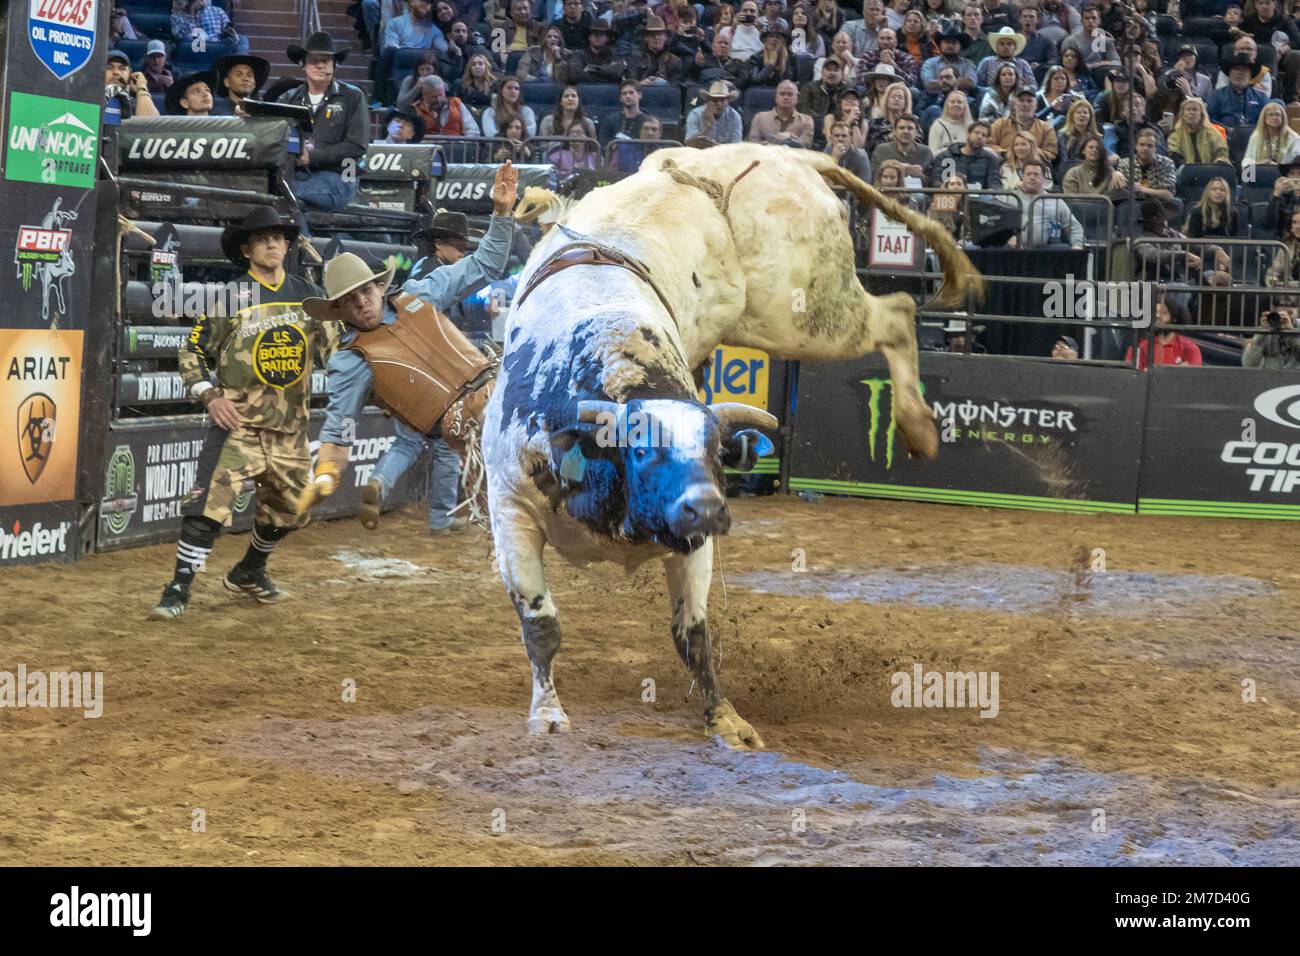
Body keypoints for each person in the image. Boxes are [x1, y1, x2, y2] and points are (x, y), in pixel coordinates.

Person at [305, 164, 518, 532]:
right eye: (350, 299)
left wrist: (501, 213)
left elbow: (487, 264)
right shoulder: (351, 359)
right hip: (456, 419)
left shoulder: (421, 292)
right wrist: (324, 475)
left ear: (379, 288)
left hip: (487, 394)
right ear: (338, 310)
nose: (362, 302)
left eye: (365, 291)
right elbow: (338, 426)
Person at [148, 207, 334, 620]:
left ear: (288, 245)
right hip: (239, 425)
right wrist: (211, 396)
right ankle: (178, 587)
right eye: (263, 238)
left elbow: (335, 350)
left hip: (289, 428)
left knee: (292, 509)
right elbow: (192, 351)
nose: (272, 244)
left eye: (279, 237)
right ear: (247, 249)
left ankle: (250, 569)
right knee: (209, 507)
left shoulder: (309, 297)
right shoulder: (228, 298)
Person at [277, 33, 370, 213]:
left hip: (343, 176)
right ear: (302, 65)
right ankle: (305, 240)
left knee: (283, 195)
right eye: (313, 61)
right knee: (290, 202)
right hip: (297, 175)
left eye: (326, 61)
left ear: (334, 66)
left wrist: (311, 157)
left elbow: (357, 146)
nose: (320, 65)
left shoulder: (352, 96)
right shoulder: (288, 98)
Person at [1009, 160, 1083, 248]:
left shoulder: (1056, 201)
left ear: (1044, 178)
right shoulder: (1008, 197)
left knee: (1063, 248)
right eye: (1028, 174)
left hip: (1046, 251)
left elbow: (1074, 226)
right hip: (1013, 250)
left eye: (1036, 174)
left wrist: (1077, 245)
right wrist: (1007, 238)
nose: (1032, 177)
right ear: (1022, 177)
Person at [1124, 299, 1203, 369]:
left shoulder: (1189, 348)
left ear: (1174, 318)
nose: (1157, 316)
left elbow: (1194, 379)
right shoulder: (1139, 347)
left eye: (1163, 312)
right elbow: (1132, 378)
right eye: (1155, 312)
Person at [401, 74, 482, 138]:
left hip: (456, 150)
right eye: (434, 97)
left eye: (441, 95)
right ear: (424, 94)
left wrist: (462, 145)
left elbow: (473, 131)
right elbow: (408, 136)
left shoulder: (456, 103)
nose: (439, 99)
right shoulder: (415, 109)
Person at [990, 87, 1059, 162]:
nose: (1025, 104)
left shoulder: (1046, 128)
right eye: (1021, 100)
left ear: (1036, 105)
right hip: (1004, 165)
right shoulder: (1000, 124)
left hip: (1035, 168)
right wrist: (1006, 154)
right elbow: (988, 145)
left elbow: (1051, 153)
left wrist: (1029, 152)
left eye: (1029, 101)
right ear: (1014, 104)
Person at [930, 118, 998, 189]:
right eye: (977, 133)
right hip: (949, 196)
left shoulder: (991, 159)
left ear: (987, 140)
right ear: (968, 134)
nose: (980, 137)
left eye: (984, 135)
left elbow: (994, 184)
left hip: (979, 198)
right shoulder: (945, 156)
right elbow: (936, 182)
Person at [747, 79, 815, 147]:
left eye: (790, 94)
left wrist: (791, 137)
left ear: (797, 98)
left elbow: (806, 146)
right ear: (776, 97)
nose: (785, 97)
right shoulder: (760, 117)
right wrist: (775, 144)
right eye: (782, 94)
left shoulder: (807, 120)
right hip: (765, 156)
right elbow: (753, 144)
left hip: (793, 157)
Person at [1208, 55, 1269, 129]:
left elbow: (1267, 120)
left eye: (1244, 70)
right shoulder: (1216, 95)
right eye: (1236, 69)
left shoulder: (1261, 97)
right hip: (1224, 136)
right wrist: (1227, 130)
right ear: (1229, 74)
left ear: (1250, 75)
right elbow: (1210, 119)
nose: (1239, 73)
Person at [1116, 128, 1176, 203]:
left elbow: (1169, 195)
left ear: (1155, 148)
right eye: (1142, 145)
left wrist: (1143, 190)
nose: (1145, 148)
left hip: (1158, 204)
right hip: (1132, 204)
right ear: (1136, 146)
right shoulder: (1124, 164)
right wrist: (1114, 172)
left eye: (1150, 146)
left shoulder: (1166, 163)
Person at [171, 0, 250, 56]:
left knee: (242, 39)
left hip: (218, 48)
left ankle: (238, 64)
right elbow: (181, 37)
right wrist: (192, 13)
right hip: (197, 51)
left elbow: (228, 30)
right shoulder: (177, 17)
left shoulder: (217, 11)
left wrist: (231, 34)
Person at [1166, 98, 1230, 166]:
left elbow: (1222, 152)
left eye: (1195, 110)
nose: (1191, 113)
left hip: (1211, 169)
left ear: (1201, 114)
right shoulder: (1175, 136)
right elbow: (1173, 155)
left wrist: (1217, 163)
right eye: (1188, 110)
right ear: (1182, 114)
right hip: (1185, 171)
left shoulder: (1213, 133)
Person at [873, 113, 932, 183]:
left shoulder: (925, 152)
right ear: (894, 132)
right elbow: (873, 178)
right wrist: (897, 169)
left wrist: (918, 175)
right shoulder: (881, 150)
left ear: (916, 132)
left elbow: (931, 184)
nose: (906, 131)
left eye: (910, 128)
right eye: (901, 128)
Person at [1062, 135, 1128, 197]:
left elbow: (1110, 197)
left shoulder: (1109, 173)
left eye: (1097, 148)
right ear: (1083, 151)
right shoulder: (1073, 173)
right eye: (1091, 147)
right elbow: (1070, 198)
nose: (1094, 150)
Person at [922, 23, 977, 94]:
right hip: (934, 100)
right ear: (940, 44)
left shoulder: (968, 64)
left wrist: (946, 82)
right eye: (947, 41)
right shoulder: (930, 62)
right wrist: (952, 82)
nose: (950, 45)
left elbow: (971, 82)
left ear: (960, 46)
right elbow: (928, 83)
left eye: (954, 42)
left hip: (961, 101)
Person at [105, 49, 159, 119]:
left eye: (122, 68)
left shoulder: (138, 104)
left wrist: (142, 88)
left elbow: (152, 126)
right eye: (109, 67)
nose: (116, 72)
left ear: (130, 74)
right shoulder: (92, 100)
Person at [975, 26, 1034, 90]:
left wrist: (1024, 87)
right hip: (991, 97)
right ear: (996, 47)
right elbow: (977, 87)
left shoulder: (1023, 64)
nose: (1006, 47)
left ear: (1015, 47)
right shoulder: (986, 62)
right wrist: (992, 91)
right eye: (1002, 44)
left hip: (1017, 97)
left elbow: (1034, 87)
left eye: (1009, 44)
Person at [1245, 100, 1300, 166]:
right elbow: (1248, 159)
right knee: (1248, 172)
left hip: (1283, 173)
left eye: (1277, 115)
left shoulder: (1293, 138)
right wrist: (1258, 164)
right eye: (1270, 115)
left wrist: (1276, 166)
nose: (1274, 118)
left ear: (1283, 118)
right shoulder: (1256, 135)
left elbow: (1297, 164)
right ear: (1264, 118)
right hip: (1259, 170)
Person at [600, 79, 651, 144]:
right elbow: (604, 146)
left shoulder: (647, 121)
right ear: (620, 98)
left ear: (639, 95)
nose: (628, 96)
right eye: (624, 93)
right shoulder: (609, 121)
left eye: (631, 92)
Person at [1266, 209, 1300, 288]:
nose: (1298, 226)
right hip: (1288, 292)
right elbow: (1273, 272)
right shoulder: (1285, 246)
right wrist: (1273, 281)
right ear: (1291, 227)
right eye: (1294, 222)